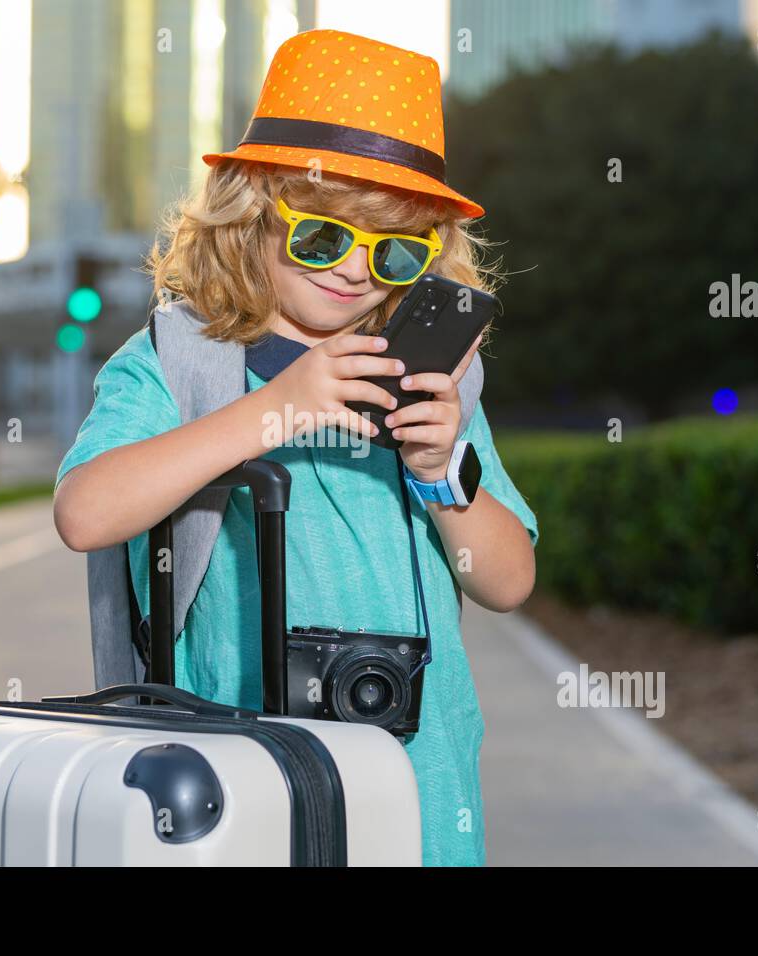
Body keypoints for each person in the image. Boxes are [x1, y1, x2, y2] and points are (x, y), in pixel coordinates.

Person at [53, 29, 538, 866]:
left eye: (394, 250)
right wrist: (273, 411)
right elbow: (86, 512)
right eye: (322, 237)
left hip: (421, 786)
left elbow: (508, 581)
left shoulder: (433, 385)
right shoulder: (182, 362)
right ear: (250, 216)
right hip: (241, 780)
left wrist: (440, 471)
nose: (355, 272)